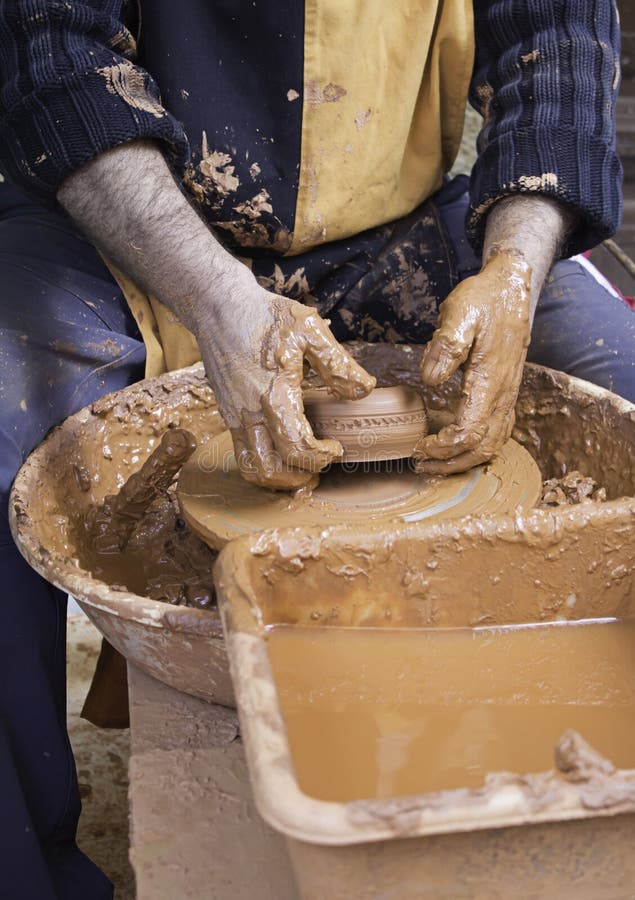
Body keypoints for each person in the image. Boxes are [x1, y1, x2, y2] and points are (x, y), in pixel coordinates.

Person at [0, 1, 633, 896]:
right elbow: (52, 52)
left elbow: (554, 43)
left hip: (397, 218)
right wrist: (212, 296)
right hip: (124, 218)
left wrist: (514, 268)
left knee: (619, 384)